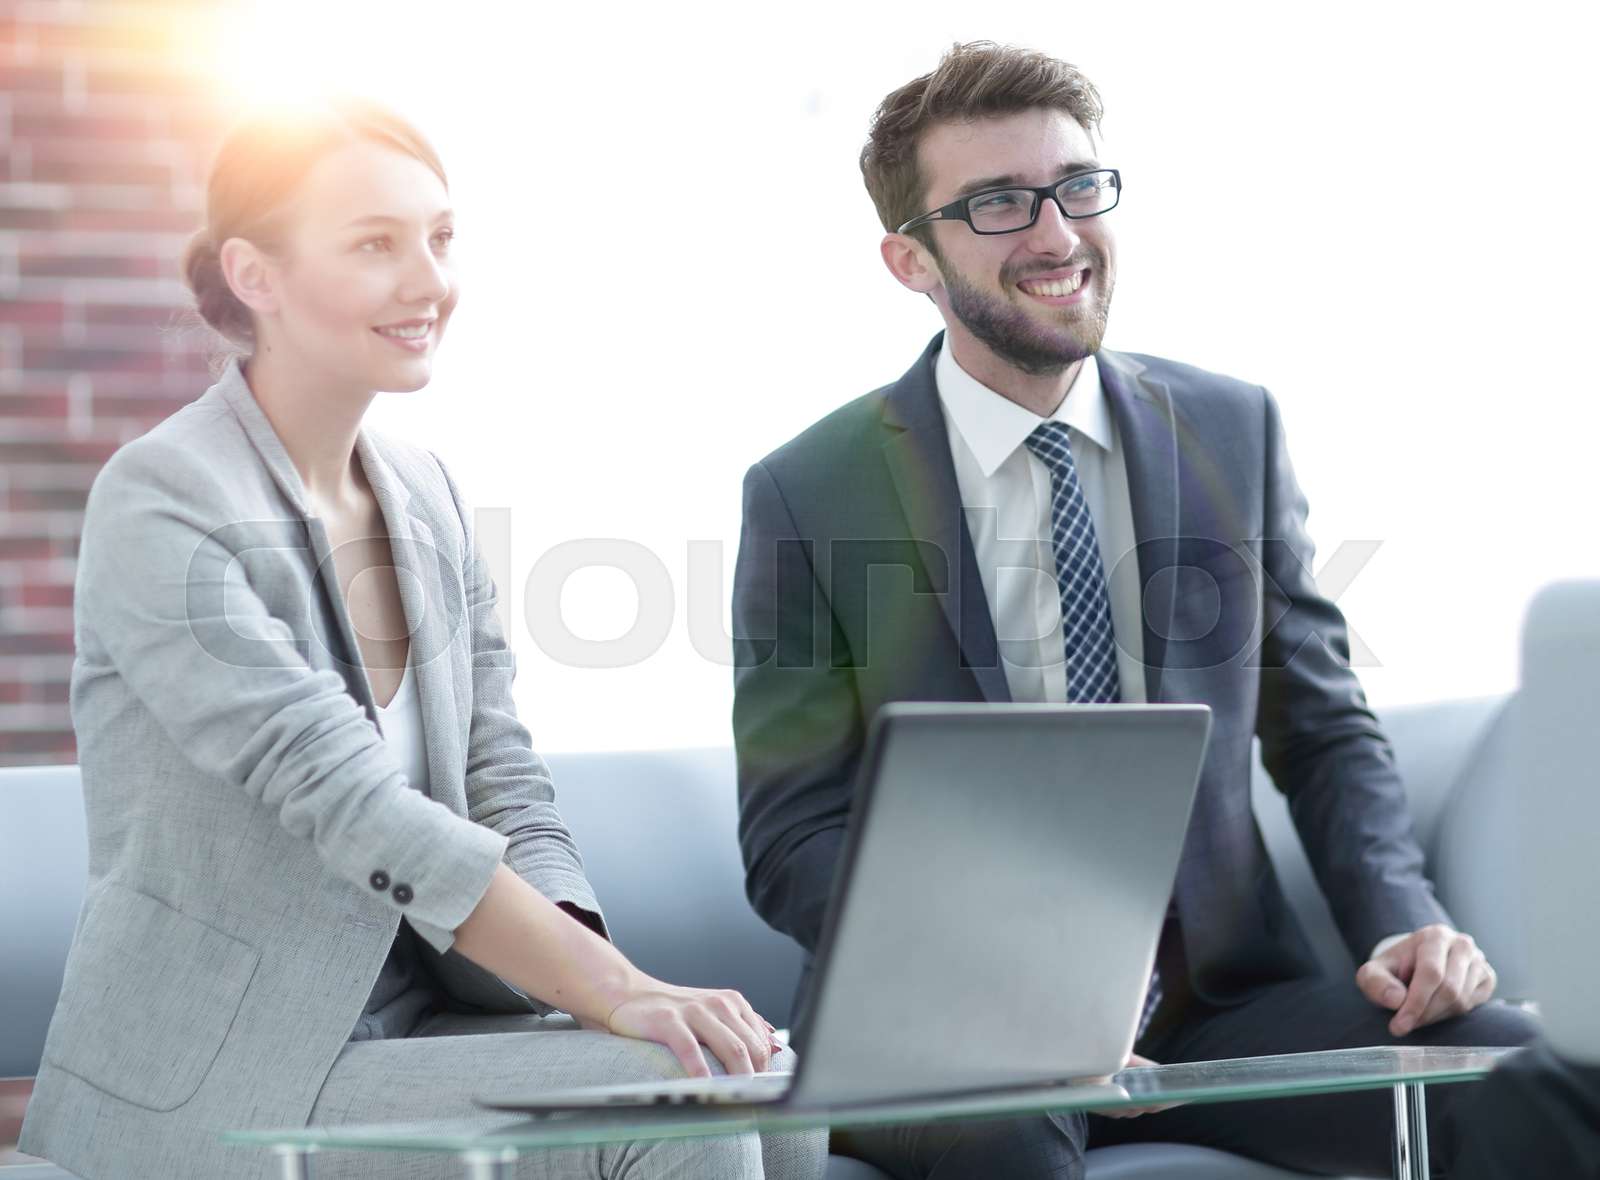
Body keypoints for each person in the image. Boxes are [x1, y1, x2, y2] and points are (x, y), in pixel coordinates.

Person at [730, 41, 1537, 1179]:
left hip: (1222, 1005)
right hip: (954, 1034)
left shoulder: (1229, 428)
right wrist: (994, 971)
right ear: (908, 259)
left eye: (1076, 188)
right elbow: (788, 837)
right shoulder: (808, 490)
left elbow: (1319, 726)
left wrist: (1399, 922)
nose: (1056, 235)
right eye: (1000, 205)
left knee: (1540, 1090)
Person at [19, 96, 824, 1180]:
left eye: (440, 240)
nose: (428, 282)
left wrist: (604, 986)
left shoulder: (424, 491)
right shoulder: (163, 498)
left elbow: (505, 777)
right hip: (242, 1066)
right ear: (255, 276)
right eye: (375, 245)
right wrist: (617, 992)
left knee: (773, 1087)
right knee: (679, 1109)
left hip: (427, 1024)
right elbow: (353, 803)